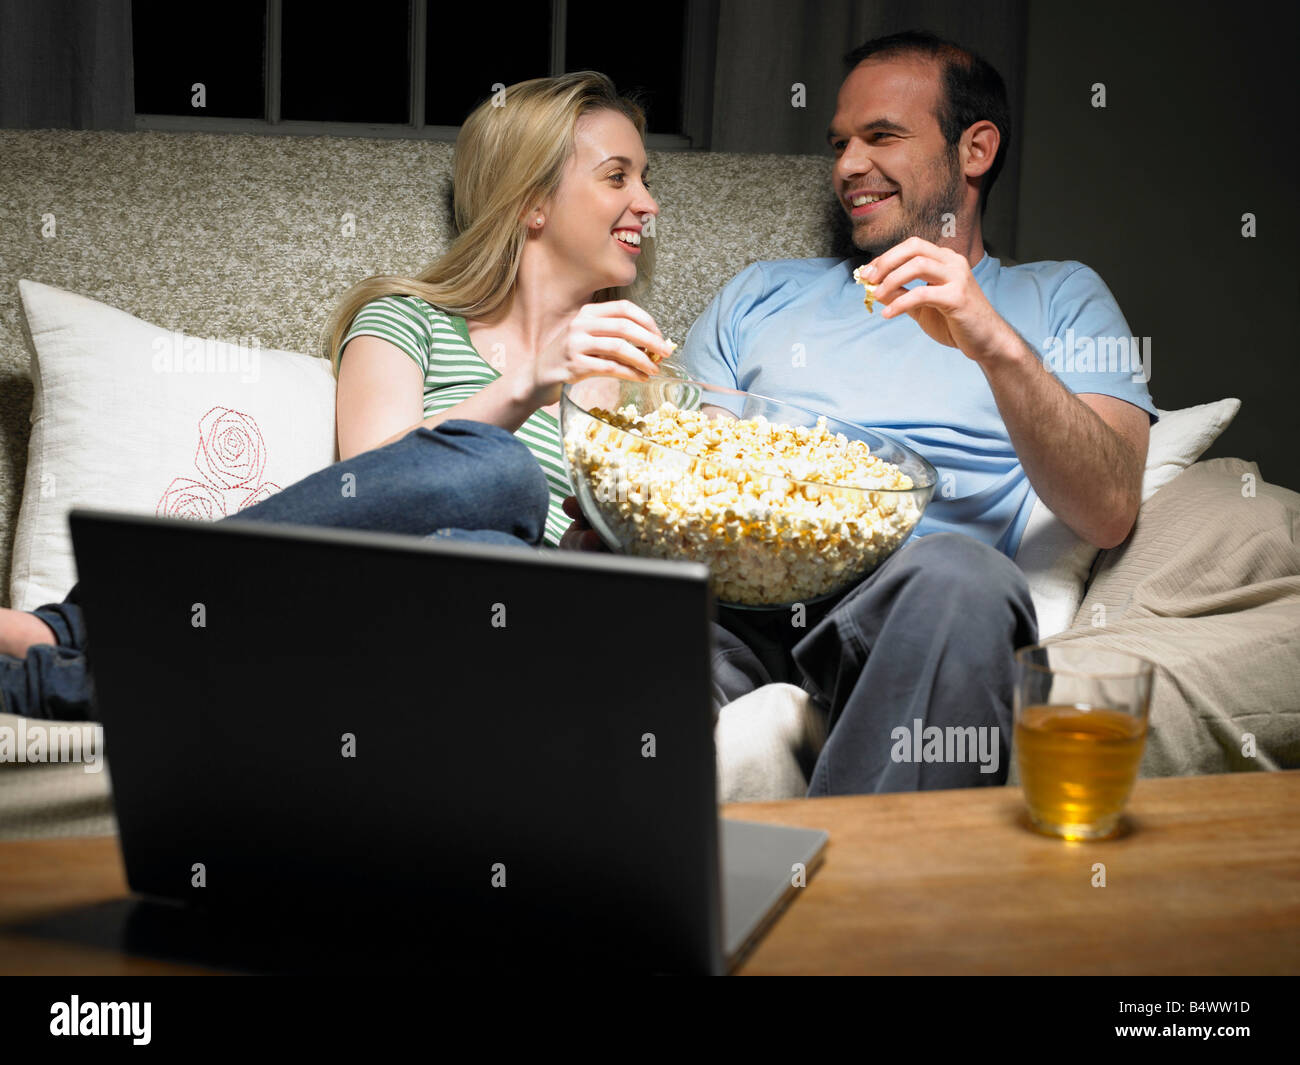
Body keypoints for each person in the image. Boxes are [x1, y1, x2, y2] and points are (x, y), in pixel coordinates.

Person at [0, 71, 674, 721]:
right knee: (498, 481)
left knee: (508, 556)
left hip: (537, 629)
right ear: (533, 200)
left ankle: (75, 633)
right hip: (393, 597)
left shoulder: (659, 388)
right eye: (618, 176)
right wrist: (526, 381)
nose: (647, 203)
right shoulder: (406, 320)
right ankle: (63, 666)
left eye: (646, 178)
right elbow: (377, 489)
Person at [667, 30, 1158, 795]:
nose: (848, 166)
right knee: (599, 595)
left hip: (907, 604)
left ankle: (875, 905)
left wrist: (992, 339)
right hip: (734, 601)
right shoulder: (762, 291)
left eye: (881, 136)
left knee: (967, 580)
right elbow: (680, 463)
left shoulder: (1059, 297)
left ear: (975, 149)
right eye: (840, 142)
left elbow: (1110, 506)